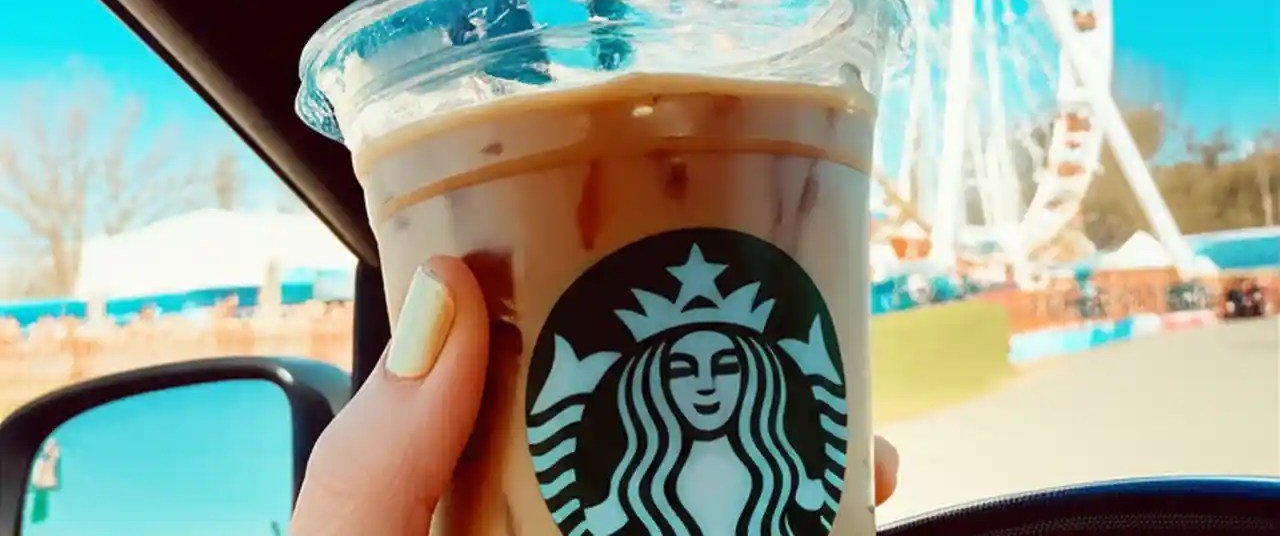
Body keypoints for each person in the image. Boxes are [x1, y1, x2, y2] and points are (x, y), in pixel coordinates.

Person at [290, 256, 902, 535]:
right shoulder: (615, 505)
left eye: (726, 366)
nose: (708, 384)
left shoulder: (789, 488)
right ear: (653, 388)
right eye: (683, 369)